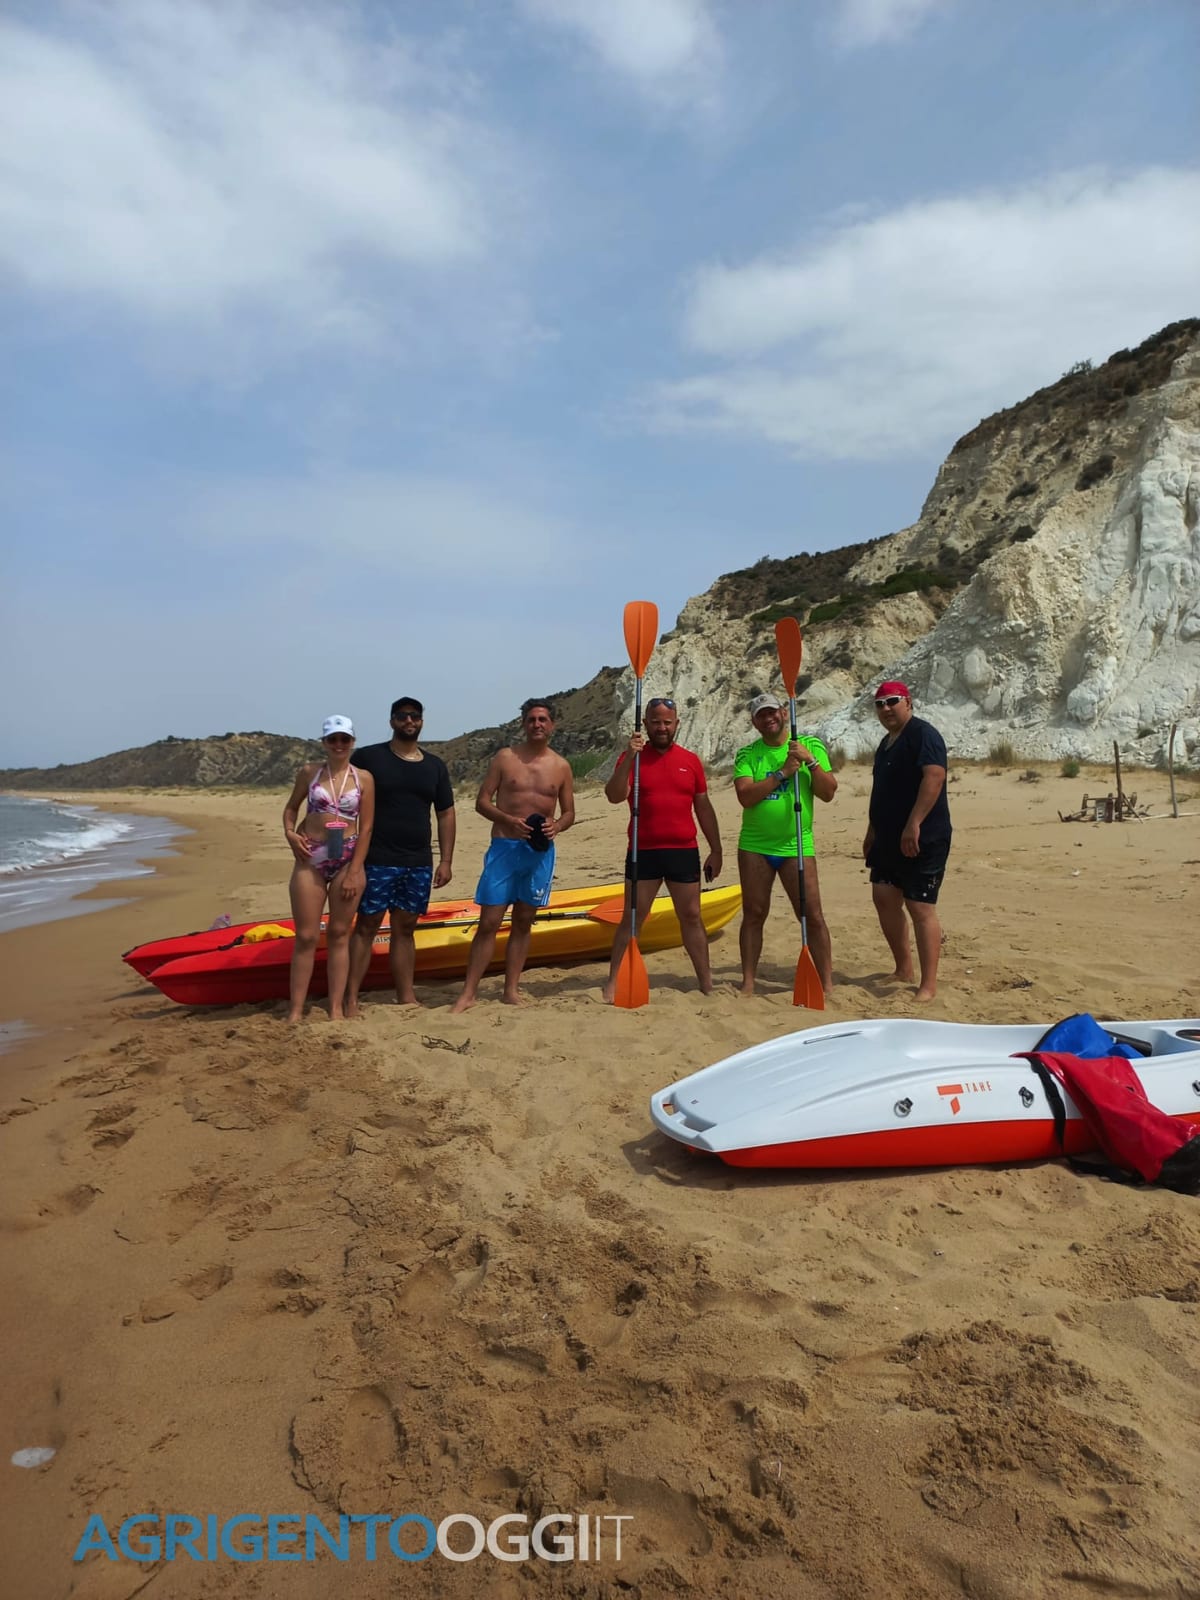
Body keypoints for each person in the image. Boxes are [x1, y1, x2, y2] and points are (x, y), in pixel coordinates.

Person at [451, 699, 575, 1012]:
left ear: (552, 725)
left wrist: (556, 825)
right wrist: (507, 820)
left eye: (543, 719)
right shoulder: (505, 758)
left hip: (538, 854)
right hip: (504, 849)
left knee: (523, 920)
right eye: (532, 719)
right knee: (489, 921)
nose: (537, 724)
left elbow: (570, 812)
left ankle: (511, 990)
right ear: (523, 723)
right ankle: (468, 993)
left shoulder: (561, 766)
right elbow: (482, 802)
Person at [601, 696, 723, 999]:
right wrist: (629, 757)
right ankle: (613, 981)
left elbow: (704, 808)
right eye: (655, 722)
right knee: (634, 916)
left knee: (692, 915)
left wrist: (716, 849)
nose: (662, 727)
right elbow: (614, 796)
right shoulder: (632, 759)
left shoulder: (690, 761)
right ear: (645, 724)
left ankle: (706, 982)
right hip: (644, 851)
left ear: (677, 724)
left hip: (682, 850)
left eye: (667, 722)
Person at [346, 697, 456, 1012]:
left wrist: (446, 860)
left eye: (415, 716)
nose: (410, 721)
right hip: (376, 858)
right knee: (367, 926)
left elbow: (445, 813)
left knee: (405, 929)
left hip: (417, 861)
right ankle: (351, 996)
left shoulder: (434, 766)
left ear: (422, 721)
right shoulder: (369, 757)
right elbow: (344, 798)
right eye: (403, 716)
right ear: (392, 720)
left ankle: (405, 995)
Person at [734, 691, 837, 996]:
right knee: (754, 913)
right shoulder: (747, 755)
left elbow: (829, 792)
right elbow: (746, 796)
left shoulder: (810, 746)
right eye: (761, 715)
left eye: (772, 712)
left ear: (783, 711)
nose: (768, 718)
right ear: (755, 723)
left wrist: (811, 762)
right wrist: (782, 774)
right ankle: (749, 982)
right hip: (755, 846)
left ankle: (827, 984)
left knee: (812, 915)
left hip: (797, 845)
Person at [862, 680, 951, 1002]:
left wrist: (914, 823)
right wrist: (872, 830)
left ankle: (928, 985)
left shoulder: (923, 734)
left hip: (924, 835)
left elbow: (935, 777)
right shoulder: (886, 743)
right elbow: (881, 791)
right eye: (880, 704)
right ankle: (903, 967)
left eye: (892, 701)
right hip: (886, 837)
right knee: (884, 897)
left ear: (908, 703)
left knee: (920, 905)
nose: (886, 709)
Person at [282, 715, 375, 1022]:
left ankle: (335, 1008)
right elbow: (291, 808)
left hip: (348, 856)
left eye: (344, 739)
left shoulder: (363, 778)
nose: (338, 745)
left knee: (338, 933)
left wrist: (354, 870)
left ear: (352, 741)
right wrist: (289, 833)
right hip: (311, 856)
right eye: (332, 739)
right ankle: (296, 1010)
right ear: (323, 742)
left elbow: (368, 826)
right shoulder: (309, 773)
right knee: (306, 936)